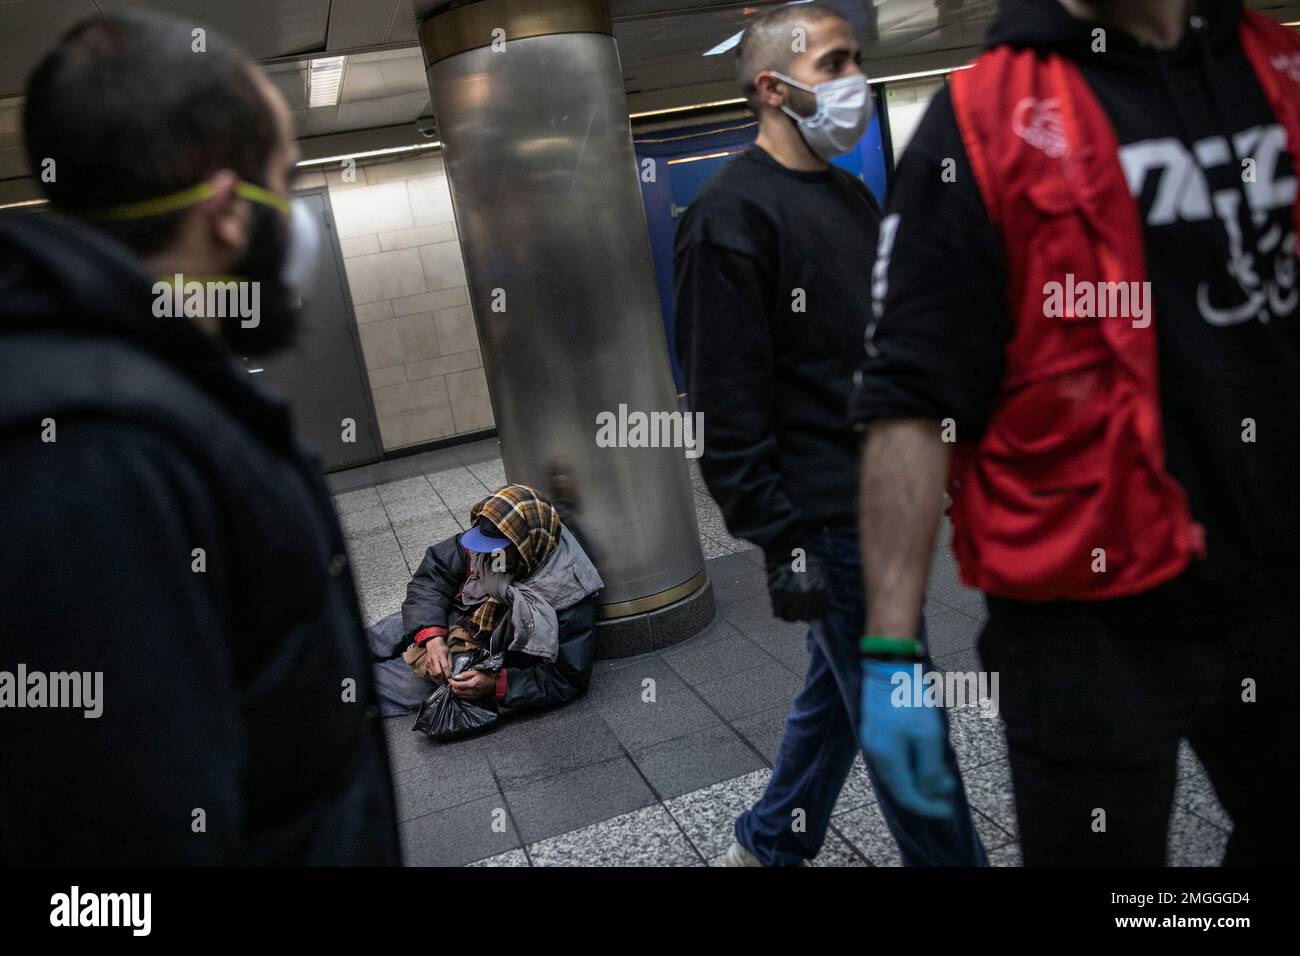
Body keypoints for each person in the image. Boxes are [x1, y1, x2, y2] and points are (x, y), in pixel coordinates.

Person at [854, 0, 1300, 864]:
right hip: (1088, 623)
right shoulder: (984, 124)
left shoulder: (1269, 65)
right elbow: (911, 392)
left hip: (1281, 585)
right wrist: (890, 650)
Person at [0, 11, 398, 864]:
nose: (293, 217)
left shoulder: (135, 397)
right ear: (225, 211)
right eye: (285, 179)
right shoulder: (97, 454)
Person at [673, 2, 985, 866]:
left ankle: (772, 838)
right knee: (905, 726)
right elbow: (724, 405)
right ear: (774, 88)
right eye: (836, 65)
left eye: (858, 62)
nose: (857, 83)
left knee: (839, 689)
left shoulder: (845, 195)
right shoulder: (728, 217)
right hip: (829, 518)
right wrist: (780, 538)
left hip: (883, 499)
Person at [369, 484, 603, 722]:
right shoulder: (496, 533)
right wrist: (431, 638)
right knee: (379, 635)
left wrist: (498, 684)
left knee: (378, 686)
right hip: (451, 616)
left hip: (477, 654)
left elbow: (568, 677)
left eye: (497, 551)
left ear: (524, 547)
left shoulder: (567, 594)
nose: (490, 556)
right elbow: (434, 574)